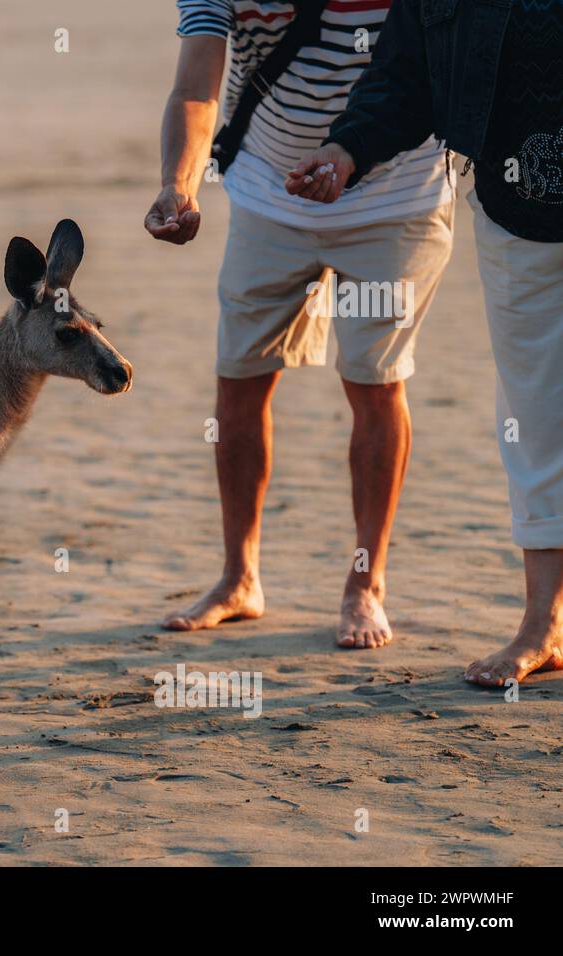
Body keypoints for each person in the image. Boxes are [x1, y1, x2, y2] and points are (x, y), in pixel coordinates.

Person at [147, 1, 454, 647]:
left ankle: (365, 585)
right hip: (267, 192)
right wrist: (179, 184)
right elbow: (196, 86)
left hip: (394, 198)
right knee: (240, 377)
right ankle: (239, 578)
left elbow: (429, 76)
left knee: (373, 385)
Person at [288, 0, 563, 686]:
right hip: (516, 207)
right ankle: (544, 624)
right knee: (534, 416)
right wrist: (347, 148)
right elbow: (402, 77)